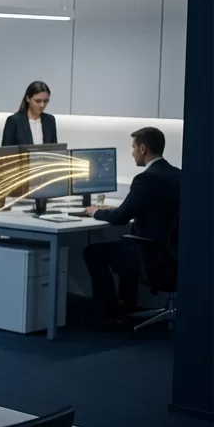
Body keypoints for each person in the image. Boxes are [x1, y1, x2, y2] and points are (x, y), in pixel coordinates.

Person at [82, 127, 181, 320]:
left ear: (143, 149)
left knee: (93, 252)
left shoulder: (145, 179)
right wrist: (114, 210)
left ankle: (110, 312)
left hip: (151, 254)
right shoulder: (179, 175)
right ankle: (128, 306)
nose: (132, 152)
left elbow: (121, 218)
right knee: (127, 243)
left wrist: (96, 212)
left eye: (133, 147)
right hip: (172, 253)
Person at [1, 80, 58, 146]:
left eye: (45, 101)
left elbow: (54, 149)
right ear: (28, 98)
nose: (42, 105)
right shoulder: (14, 121)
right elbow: (6, 151)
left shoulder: (50, 120)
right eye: (38, 101)